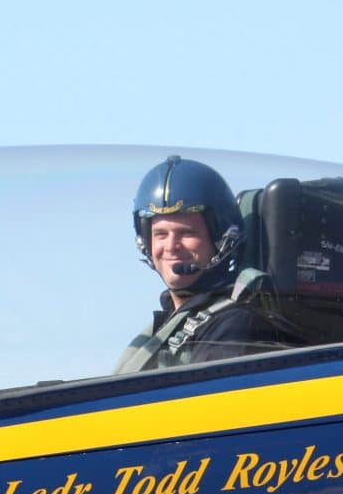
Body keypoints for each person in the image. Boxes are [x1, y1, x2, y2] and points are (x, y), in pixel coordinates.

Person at [114, 156, 300, 373]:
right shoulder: (167, 327)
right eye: (160, 234)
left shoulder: (234, 326)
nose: (171, 246)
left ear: (222, 239)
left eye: (187, 233)